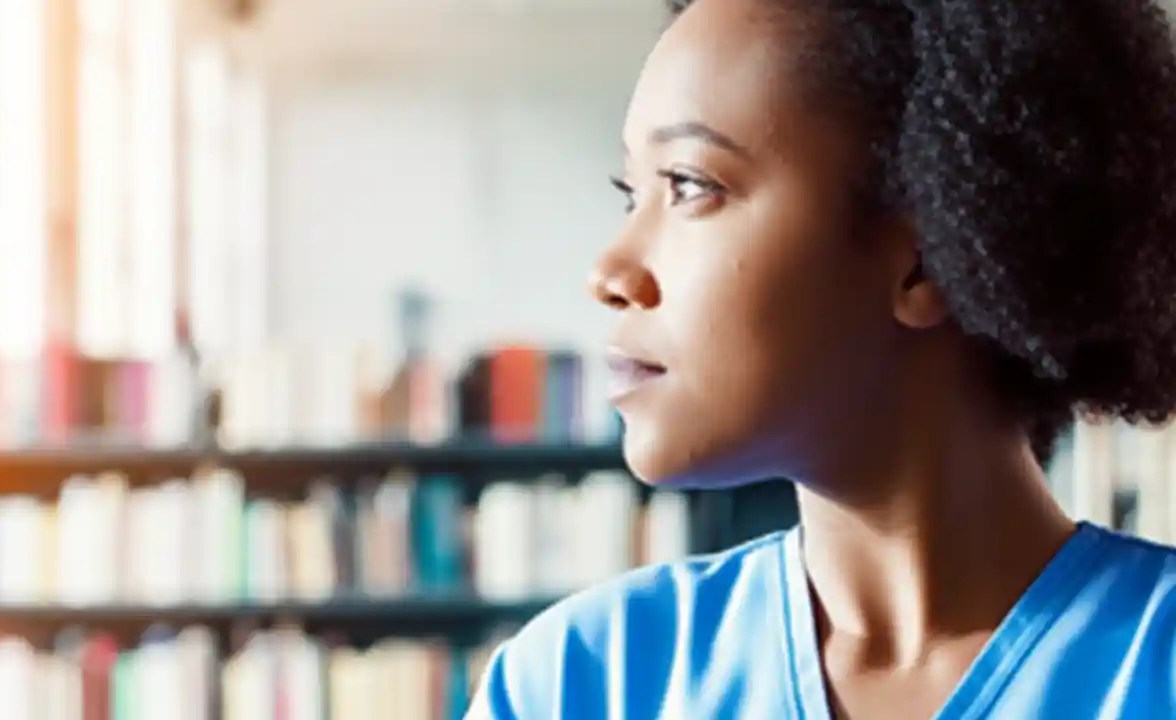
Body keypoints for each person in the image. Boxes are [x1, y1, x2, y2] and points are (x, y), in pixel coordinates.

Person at [466, 0, 1176, 717]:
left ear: (925, 260)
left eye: (688, 185)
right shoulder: (577, 682)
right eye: (631, 195)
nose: (610, 271)